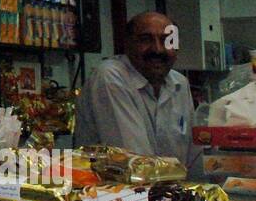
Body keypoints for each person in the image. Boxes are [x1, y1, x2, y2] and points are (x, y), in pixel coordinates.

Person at [74, 10, 195, 164]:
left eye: (167, 40)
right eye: (146, 39)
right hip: (111, 187)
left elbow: (192, 158)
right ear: (127, 44)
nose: (157, 49)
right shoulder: (110, 77)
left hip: (165, 185)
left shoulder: (180, 83)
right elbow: (135, 161)